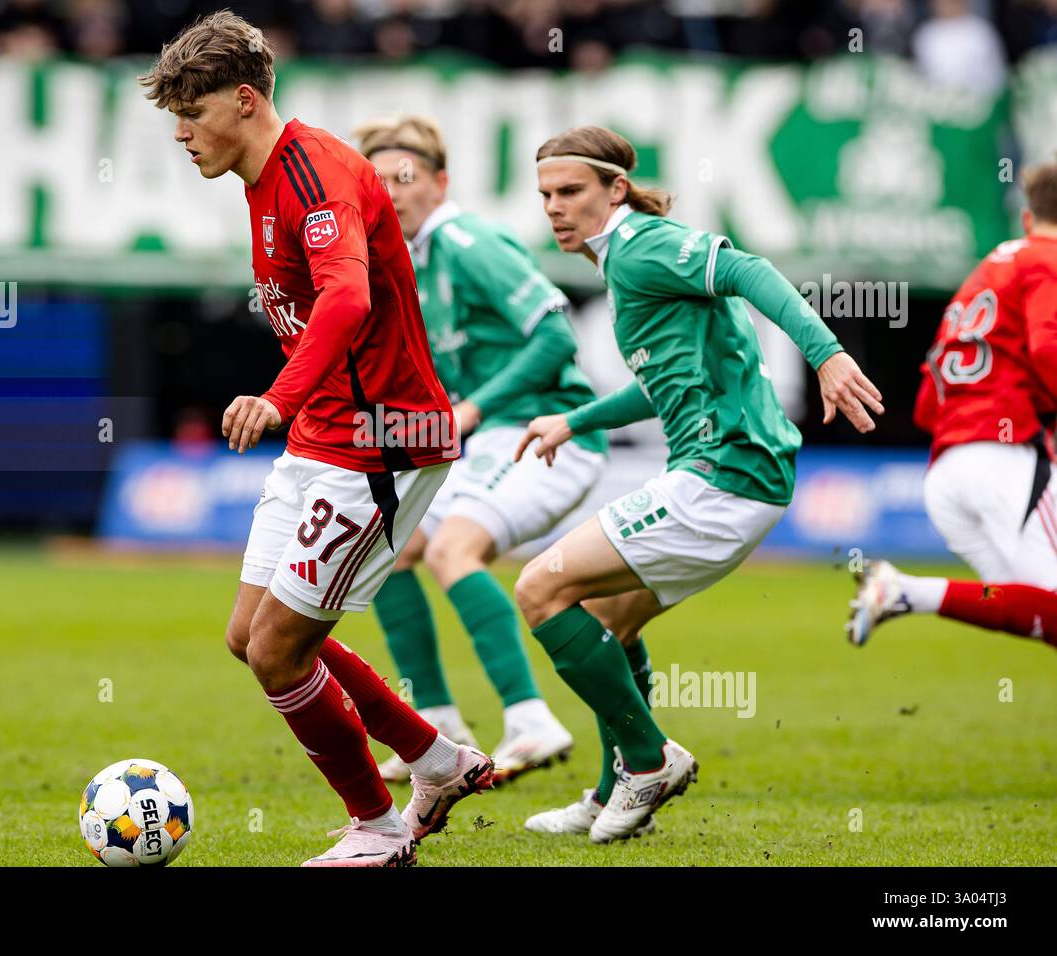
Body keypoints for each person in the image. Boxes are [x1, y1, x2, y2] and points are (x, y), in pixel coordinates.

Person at [140, 10, 493, 867]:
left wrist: (279, 396)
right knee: (249, 636)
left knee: (275, 651)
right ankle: (438, 761)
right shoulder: (259, 181)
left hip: (382, 442)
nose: (182, 134)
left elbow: (346, 300)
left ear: (246, 99)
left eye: (193, 111)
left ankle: (377, 831)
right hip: (327, 437)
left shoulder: (316, 173)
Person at [513, 125, 882, 842]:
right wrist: (575, 420)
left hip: (725, 473)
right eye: (546, 195)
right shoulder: (625, 266)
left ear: (615, 189)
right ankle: (611, 791)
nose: (554, 208)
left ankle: (647, 760)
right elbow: (667, 386)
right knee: (608, 620)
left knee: (539, 589)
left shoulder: (646, 245)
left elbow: (750, 271)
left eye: (570, 191)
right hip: (733, 476)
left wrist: (828, 355)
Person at [354, 114, 619, 785]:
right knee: (388, 554)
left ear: (439, 182)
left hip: (548, 430)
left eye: (402, 177)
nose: (389, 191)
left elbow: (557, 334)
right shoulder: (410, 262)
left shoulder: (467, 240)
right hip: (495, 439)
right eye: (376, 180)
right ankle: (437, 726)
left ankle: (531, 719)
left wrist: (471, 408)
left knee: (451, 550)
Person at [849, 158, 1057, 653]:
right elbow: (1049, 348)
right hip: (1004, 458)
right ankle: (907, 591)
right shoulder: (1047, 262)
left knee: (1039, 613)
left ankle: (908, 593)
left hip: (948, 471)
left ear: (1027, 218)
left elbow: (926, 403)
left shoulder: (985, 273)